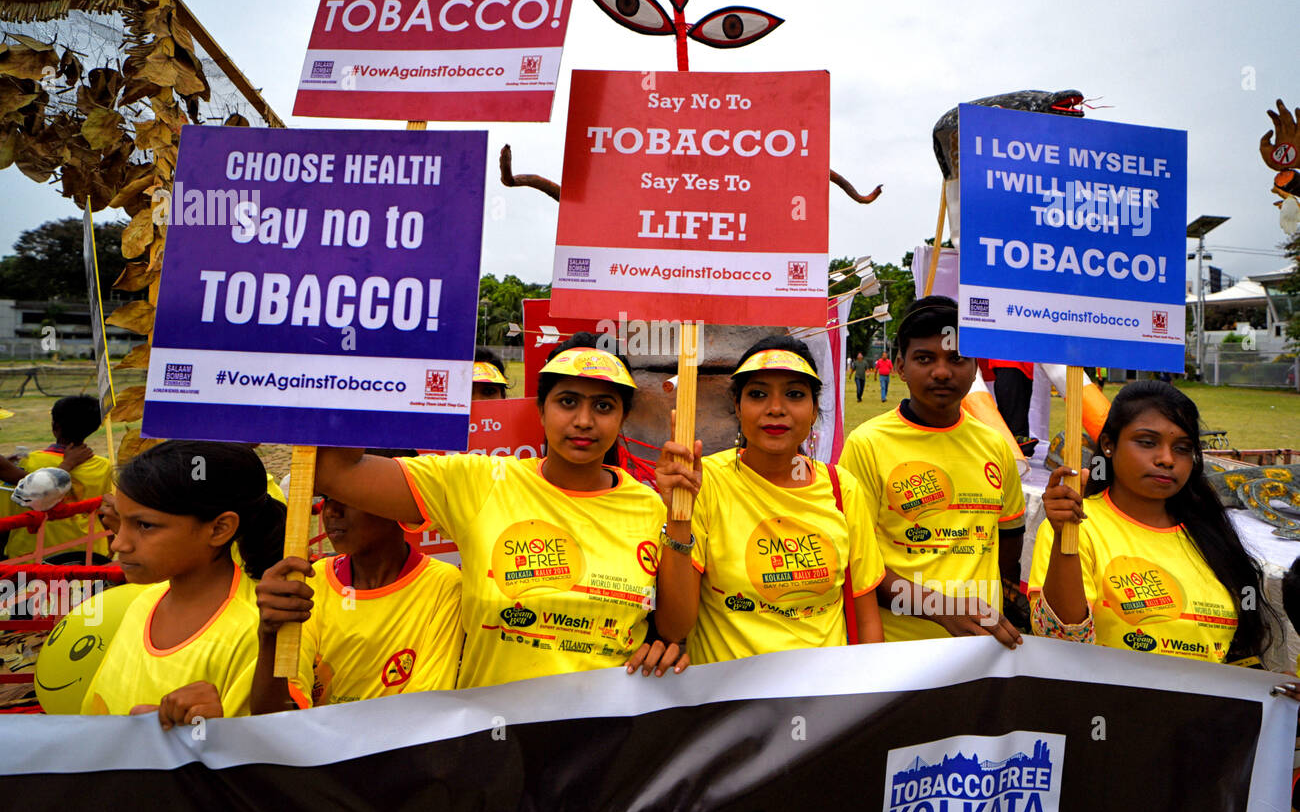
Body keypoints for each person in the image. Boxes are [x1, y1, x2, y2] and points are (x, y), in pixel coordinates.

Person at [310, 334, 684, 687]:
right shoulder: (477, 482)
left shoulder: (649, 507)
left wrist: (679, 515)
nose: (584, 420)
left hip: (603, 740)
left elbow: (674, 629)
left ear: (622, 419)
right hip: (493, 740)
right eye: (567, 401)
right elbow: (335, 472)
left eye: (603, 406)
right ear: (540, 410)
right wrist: (378, 362)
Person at [654, 337, 884, 662]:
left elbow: (866, 617)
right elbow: (674, 629)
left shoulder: (841, 488)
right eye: (758, 394)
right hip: (730, 705)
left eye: (794, 394)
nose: (776, 408)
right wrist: (679, 516)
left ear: (815, 409)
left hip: (827, 704)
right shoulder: (703, 483)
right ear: (737, 406)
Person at [1031, 380, 1285, 666]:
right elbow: (1063, 642)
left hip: (1205, 709)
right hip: (1106, 707)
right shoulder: (1078, 528)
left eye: (1182, 448)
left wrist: (1275, 695)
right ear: (1109, 445)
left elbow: (1240, 658)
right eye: (1147, 442)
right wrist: (1066, 538)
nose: (1166, 459)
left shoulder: (1212, 536)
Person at [839, 296, 1026, 647]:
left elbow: (1010, 539)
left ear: (975, 368)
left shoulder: (996, 446)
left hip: (983, 650)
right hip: (898, 652)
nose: (942, 372)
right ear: (900, 367)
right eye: (925, 359)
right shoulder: (867, 444)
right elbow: (855, 568)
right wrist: (940, 608)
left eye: (956, 359)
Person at [80, 441, 286, 725]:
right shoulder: (144, 602)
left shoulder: (255, 632)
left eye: (145, 525)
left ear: (219, 529)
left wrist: (200, 732)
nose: (119, 543)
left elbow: (254, 751)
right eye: (121, 523)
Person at [251, 450, 463, 712]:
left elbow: (423, 714)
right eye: (327, 497)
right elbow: (277, 716)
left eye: (350, 496)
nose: (331, 511)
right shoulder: (310, 584)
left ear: (401, 502)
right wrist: (269, 637)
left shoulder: (444, 585)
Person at [2, 394, 114, 561]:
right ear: (95, 428)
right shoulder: (104, 466)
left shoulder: (29, 462)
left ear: (55, 426)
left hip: (29, 558)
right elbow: (106, 513)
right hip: (88, 555)